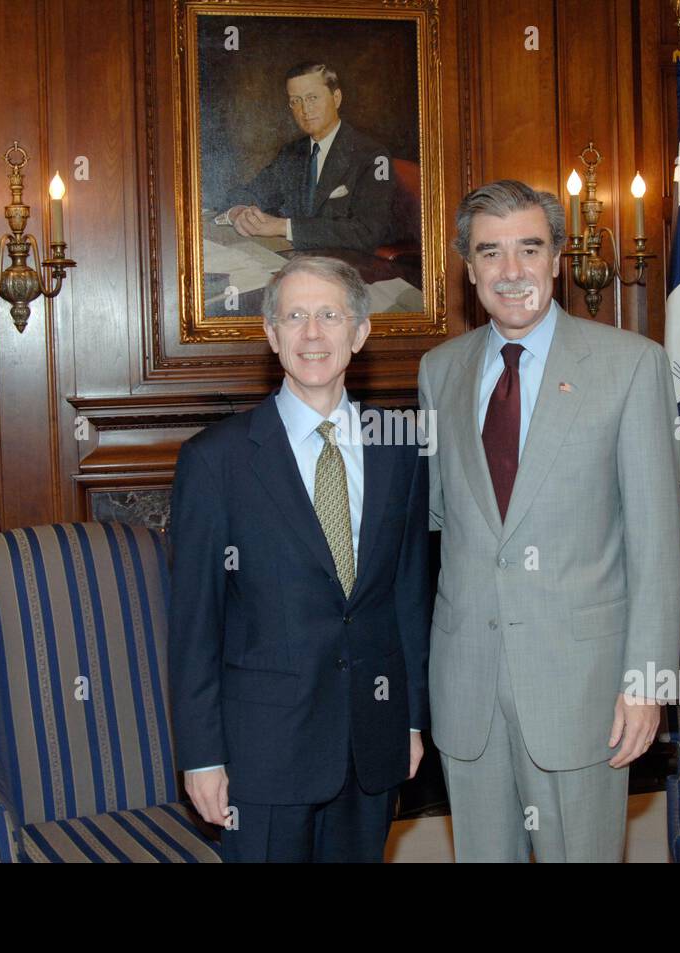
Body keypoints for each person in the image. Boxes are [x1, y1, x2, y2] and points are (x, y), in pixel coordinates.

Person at [417, 179, 680, 862]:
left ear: (559, 258)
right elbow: (440, 522)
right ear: (468, 267)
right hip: (467, 682)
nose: (511, 272)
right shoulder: (437, 372)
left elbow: (658, 544)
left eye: (528, 249)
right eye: (490, 252)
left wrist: (647, 682)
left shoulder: (630, 366)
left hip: (583, 687)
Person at [168, 255, 429, 862]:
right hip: (262, 754)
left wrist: (410, 719)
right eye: (295, 317)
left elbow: (409, 597)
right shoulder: (217, 461)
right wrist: (202, 756)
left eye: (330, 316)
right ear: (272, 335)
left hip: (371, 742)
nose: (313, 334)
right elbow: (193, 623)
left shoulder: (402, 449)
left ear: (359, 333)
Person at [216, 62, 395, 253]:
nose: (305, 110)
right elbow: (252, 191)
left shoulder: (373, 155)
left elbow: (368, 232)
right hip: (295, 259)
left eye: (312, 98)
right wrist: (239, 211)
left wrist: (283, 226)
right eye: (296, 101)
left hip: (345, 264)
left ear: (336, 98)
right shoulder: (292, 153)